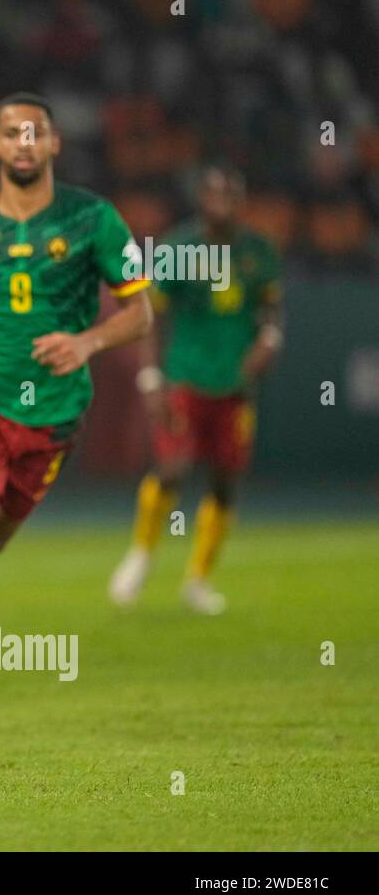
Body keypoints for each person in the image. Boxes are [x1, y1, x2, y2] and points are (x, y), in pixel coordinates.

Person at [0, 92, 153, 732]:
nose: (23, 143)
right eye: (11, 133)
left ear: (54, 143)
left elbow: (140, 311)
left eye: (35, 132)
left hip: (52, 413)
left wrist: (88, 341)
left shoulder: (93, 219)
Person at [109, 166, 283, 615]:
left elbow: (271, 312)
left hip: (236, 384)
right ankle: (141, 554)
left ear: (241, 200)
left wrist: (270, 340)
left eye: (230, 192)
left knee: (225, 483)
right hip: (185, 378)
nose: (221, 200)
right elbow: (152, 316)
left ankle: (198, 580)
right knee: (173, 468)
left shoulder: (259, 252)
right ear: (200, 198)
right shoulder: (177, 249)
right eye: (213, 192)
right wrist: (151, 377)